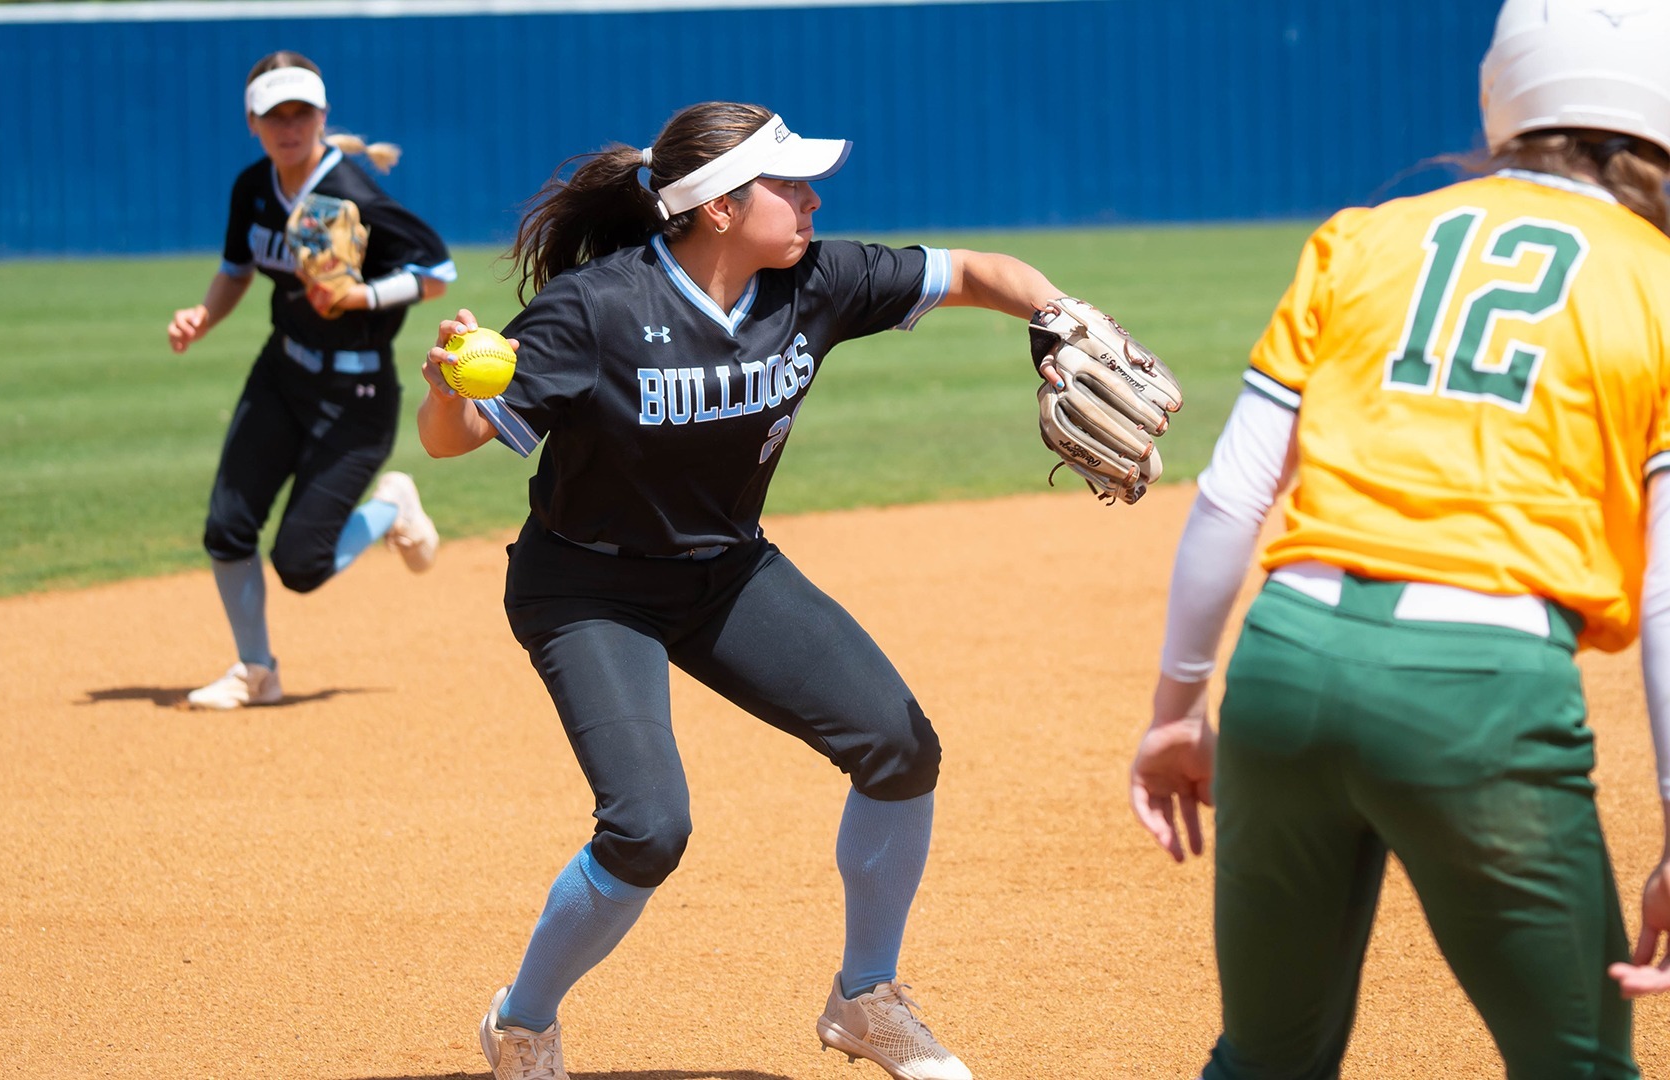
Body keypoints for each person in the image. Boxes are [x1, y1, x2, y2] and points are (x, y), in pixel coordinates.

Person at [418, 101, 1075, 1080]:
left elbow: (978, 272)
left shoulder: (812, 280)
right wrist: (448, 389)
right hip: (589, 589)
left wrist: (1066, 318)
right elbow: (452, 441)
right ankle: (522, 1024)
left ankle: (866, 999)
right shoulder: (594, 310)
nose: (812, 199)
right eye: (788, 183)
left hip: (726, 571)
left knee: (899, 748)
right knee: (648, 829)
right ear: (718, 208)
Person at [1127, 1, 1670, 1076]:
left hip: (1284, 665)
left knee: (1264, 1061)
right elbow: (1665, 592)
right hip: (1482, 695)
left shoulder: (1363, 237)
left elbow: (1233, 499)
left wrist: (1177, 711)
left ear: (1500, 90)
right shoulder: (1655, 278)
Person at [166, 52, 454, 710]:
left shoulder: (352, 191)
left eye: (301, 112)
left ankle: (393, 506)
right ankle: (255, 671)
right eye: (275, 114)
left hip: (356, 399)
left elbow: (438, 274)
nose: (289, 125)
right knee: (226, 529)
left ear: (323, 117)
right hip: (281, 372)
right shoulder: (253, 188)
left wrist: (360, 298)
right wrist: (203, 316)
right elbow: (237, 268)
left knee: (299, 565)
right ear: (253, 122)